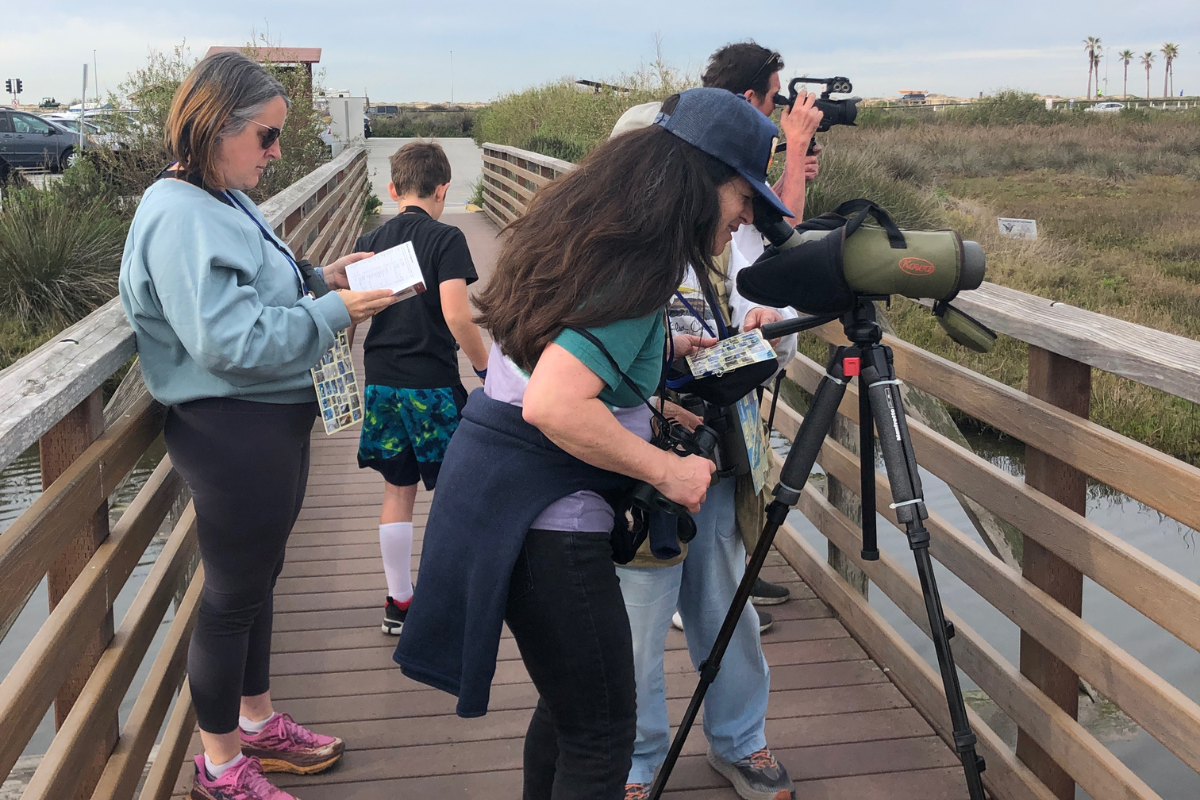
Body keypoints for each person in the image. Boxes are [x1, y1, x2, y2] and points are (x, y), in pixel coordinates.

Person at [394, 87, 790, 800]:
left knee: (569, 712)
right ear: (700, 181)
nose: (748, 217)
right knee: (602, 734)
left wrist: (662, 343)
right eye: (744, 194)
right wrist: (667, 472)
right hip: (549, 517)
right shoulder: (638, 267)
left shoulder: (598, 234)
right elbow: (555, 403)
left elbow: (560, 346)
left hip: (501, 492)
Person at [118, 51, 399, 800]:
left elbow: (260, 276)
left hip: (266, 423)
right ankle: (219, 767)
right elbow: (229, 344)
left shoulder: (218, 195)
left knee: (259, 582)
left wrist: (324, 278)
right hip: (231, 430)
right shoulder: (181, 214)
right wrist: (337, 312)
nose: (277, 152)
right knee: (233, 595)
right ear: (215, 127)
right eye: (267, 137)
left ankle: (258, 723)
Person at [612, 42, 824, 800]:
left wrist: (758, 331)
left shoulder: (709, 241)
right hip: (638, 461)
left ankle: (740, 740)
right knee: (637, 625)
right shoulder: (619, 250)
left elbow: (759, 291)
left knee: (726, 605)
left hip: (718, 448)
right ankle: (637, 767)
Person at [347, 140, 489, 635]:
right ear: (443, 189)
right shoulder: (446, 239)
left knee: (397, 490)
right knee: (456, 489)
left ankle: (398, 601)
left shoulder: (371, 237)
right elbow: (456, 314)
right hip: (432, 384)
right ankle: (451, 595)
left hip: (383, 382)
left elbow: (352, 312)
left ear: (392, 189)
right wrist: (486, 367)